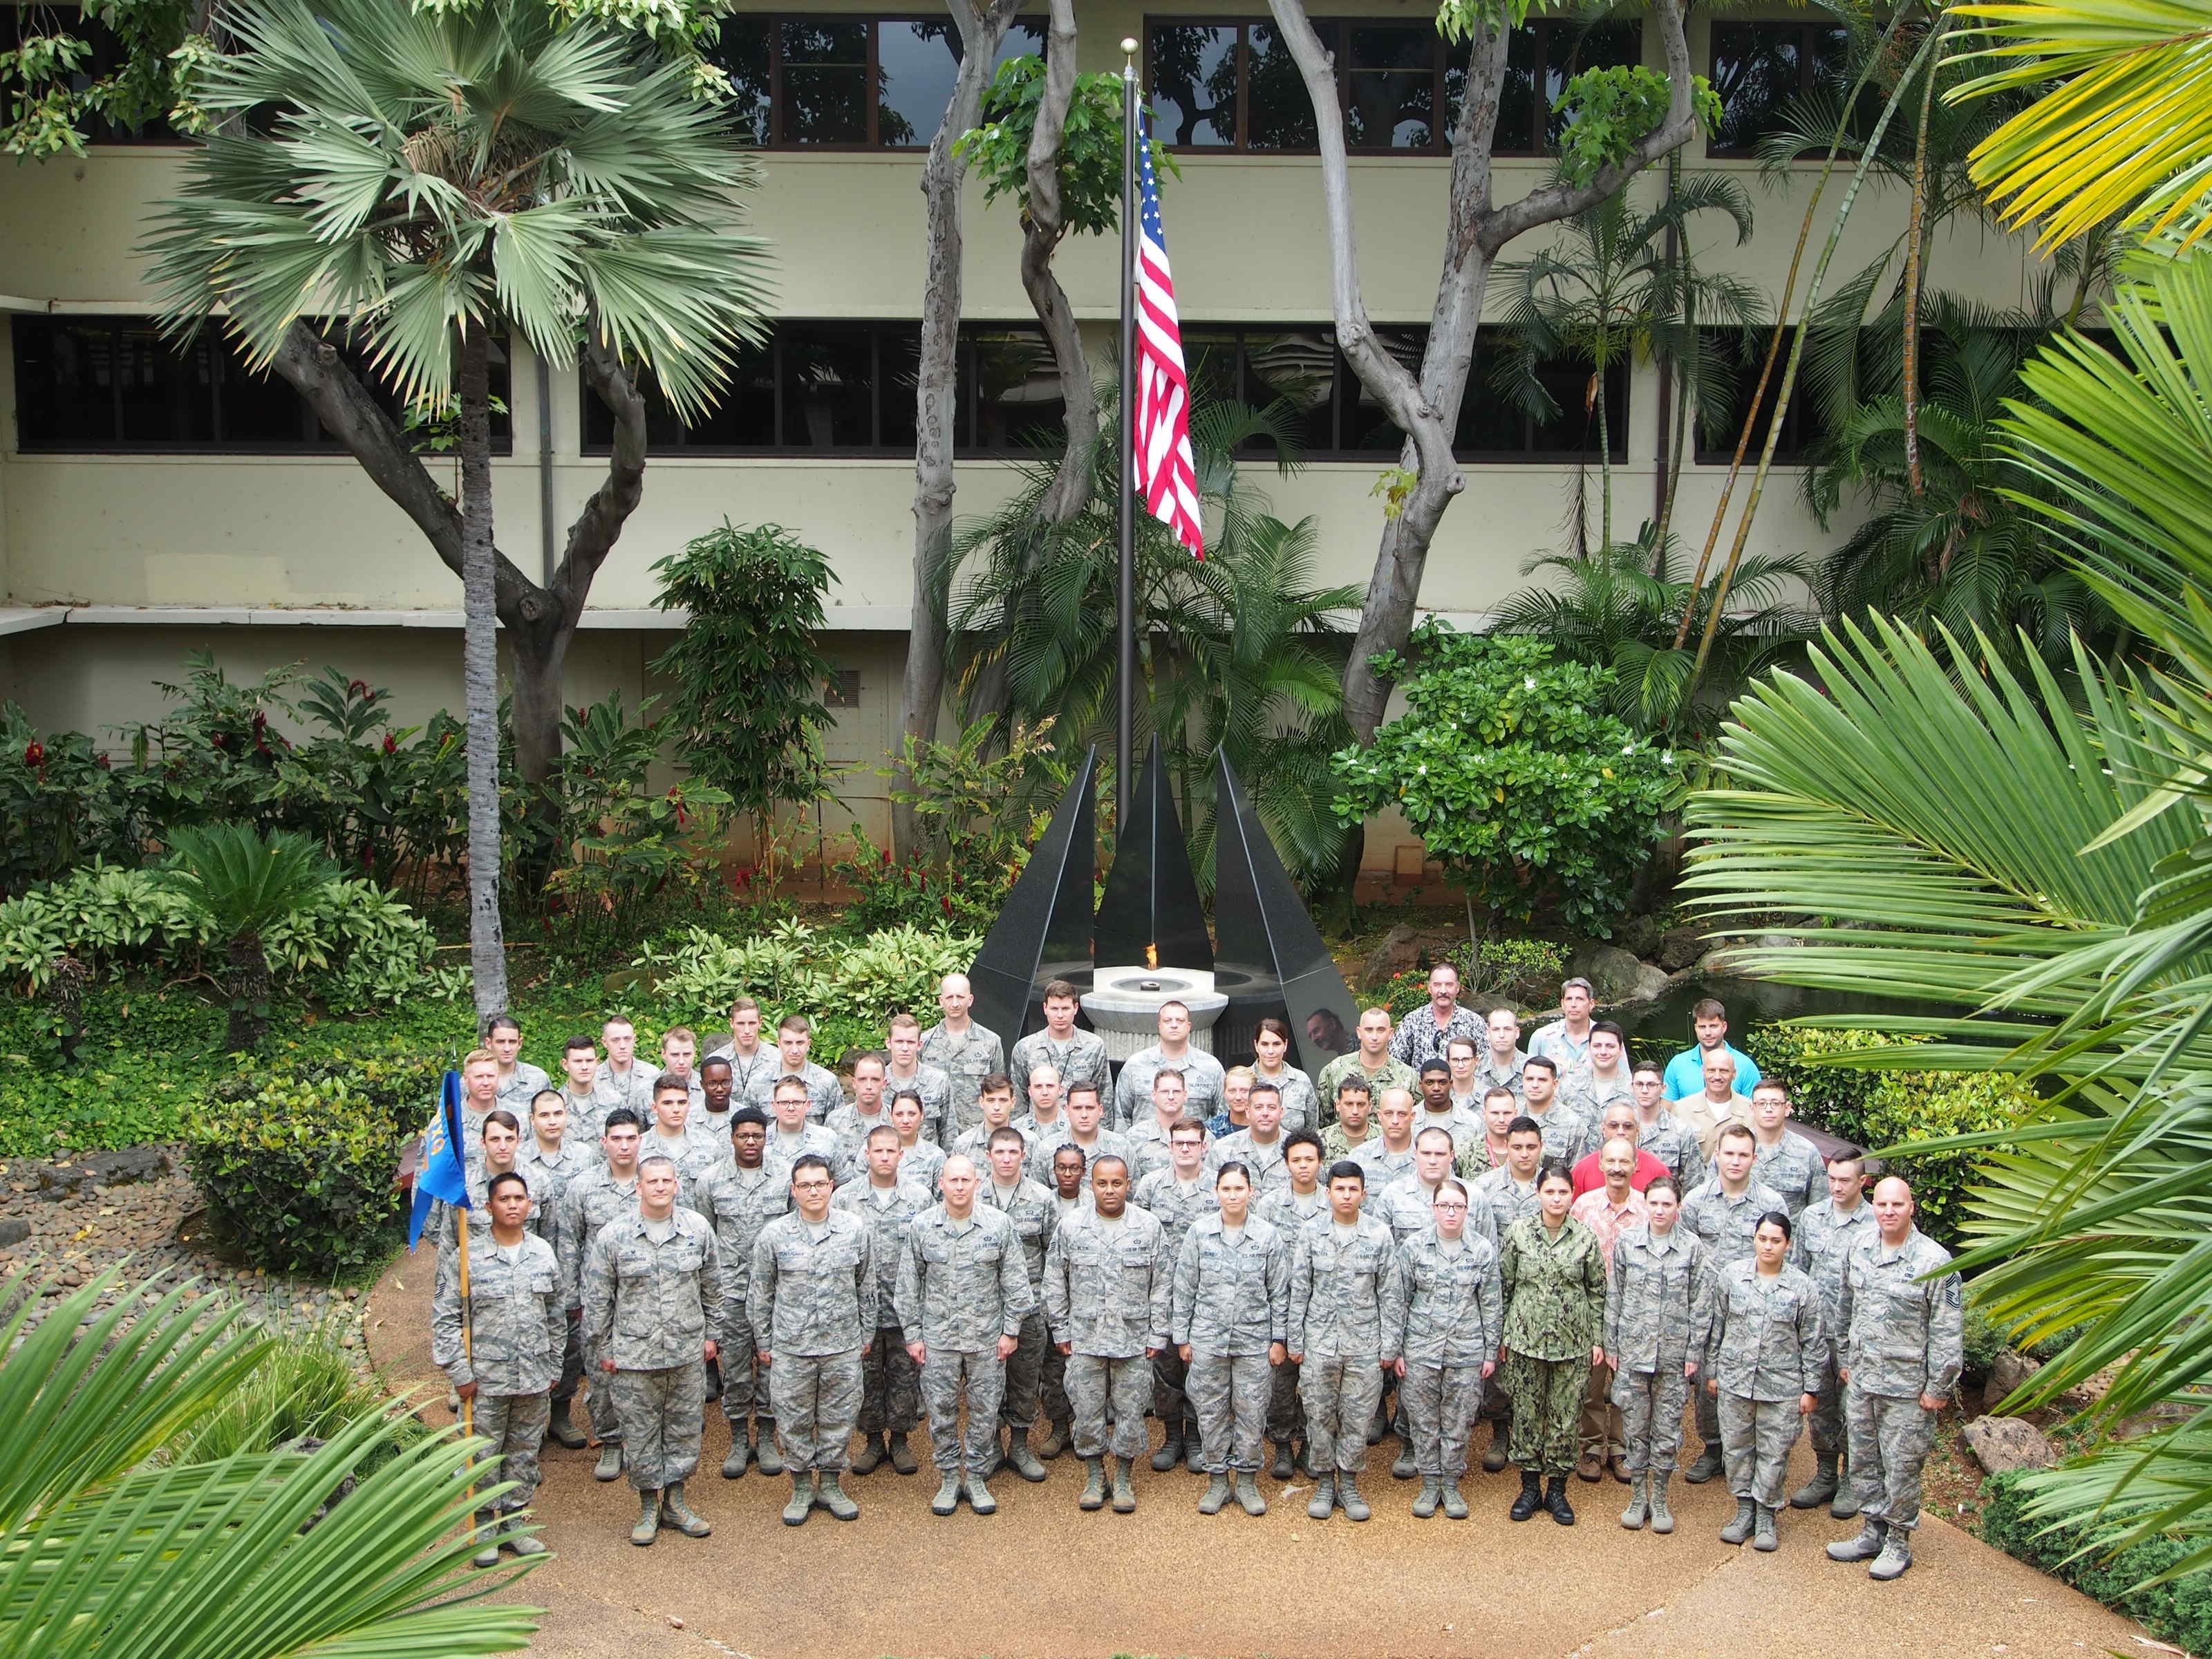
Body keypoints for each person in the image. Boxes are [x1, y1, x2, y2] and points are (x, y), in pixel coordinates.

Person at [581, 1154, 722, 1547]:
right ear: (638, 1187)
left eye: (667, 1181)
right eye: (652, 1181)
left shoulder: (697, 1230)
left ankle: (676, 1502)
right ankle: (647, 1505)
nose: (660, 1187)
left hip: (686, 1351)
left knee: (683, 1430)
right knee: (640, 1433)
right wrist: (604, 1349)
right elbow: (598, 1300)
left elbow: (713, 1287)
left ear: (677, 1185)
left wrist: (712, 1336)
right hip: (633, 1356)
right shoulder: (614, 1236)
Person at [1826, 1176, 1962, 1582]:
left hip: (1907, 1390)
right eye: (1882, 1204)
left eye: (1897, 1205)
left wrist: (1939, 1386)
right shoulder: (1860, 1248)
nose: (1888, 1211)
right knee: (1863, 1461)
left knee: (1901, 1467)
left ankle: (1899, 1543)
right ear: (1873, 1207)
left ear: (1911, 1208)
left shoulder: (1935, 1262)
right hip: (1864, 1381)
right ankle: (1872, 1531)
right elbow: (1845, 1307)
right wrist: (1846, 1360)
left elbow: (1948, 1329)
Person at [432, 1170, 561, 1566]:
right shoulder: (467, 1258)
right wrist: (460, 1373)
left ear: (529, 1205)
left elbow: (555, 1314)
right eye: (504, 1199)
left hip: (534, 1375)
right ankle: (483, 1527)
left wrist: (554, 1364)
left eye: (519, 1199)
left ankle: (514, 1524)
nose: (512, 1206)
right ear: (489, 1207)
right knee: (483, 1454)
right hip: (485, 1379)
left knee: (524, 1452)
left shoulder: (542, 1252)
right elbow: (444, 1318)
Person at [896, 1154, 1033, 1516]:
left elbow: (1016, 1283)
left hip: (986, 1338)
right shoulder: (922, 1227)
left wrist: (1011, 1331)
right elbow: (908, 1286)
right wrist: (913, 1335)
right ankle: (947, 1477)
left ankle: (975, 1475)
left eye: (965, 1180)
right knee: (941, 1412)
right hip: (938, 1338)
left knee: (985, 1411)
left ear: (978, 1183)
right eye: (952, 1180)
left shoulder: (998, 1225)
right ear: (941, 1183)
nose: (959, 1187)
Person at [751, 1152, 877, 1525]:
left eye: (820, 1184)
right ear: (794, 1190)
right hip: (792, 1347)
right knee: (793, 1418)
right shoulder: (774, 1235)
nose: (813, 1191)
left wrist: (865, 1335)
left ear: (832, 1186)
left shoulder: (854, 1230)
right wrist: (765, 1342)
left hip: (842, 1344)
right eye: (805, 1185)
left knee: (840, 1416)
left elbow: (866, 1287)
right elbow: (761, 1292)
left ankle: (832, 1483)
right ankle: (802, 1485)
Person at [1045, 1155, 1169, 1514]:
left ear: (1128, 1184)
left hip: (1133, 1340)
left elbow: (1162, 1284)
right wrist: (1061, 1329)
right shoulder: (1071, 1226)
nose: (1110, 1190)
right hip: (1085, 1339)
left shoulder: (1148, 1227)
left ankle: (1125, 1476)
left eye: (1117, 1183)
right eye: (1102, 1183)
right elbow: (1055, 1281)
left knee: (1131, 1412)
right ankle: (1096, 1475)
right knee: (1087, 1410)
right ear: (1091, 1185)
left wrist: (1157, 1334)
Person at [1287, 1161, 1405, 1522]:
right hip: (1320, 1343)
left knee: (1357, 1419)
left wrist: (1389, 1346)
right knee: (1320, 1416)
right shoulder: (1311, 1234)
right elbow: (1299, 1290)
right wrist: (1295, 1341)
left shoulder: (1379, 1235)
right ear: (1329, 1192)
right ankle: (1325, 1481)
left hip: (1364, 1345)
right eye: (1340, 1189)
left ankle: (1349, 1482)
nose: (1347, 1195)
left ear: (1363, 1193)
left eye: (1354, 1189)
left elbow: (1391, 1294)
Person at [1174, 1162, 1290, 1517]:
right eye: (1226, 1189)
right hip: (1208, 1338)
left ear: (1251, 1192)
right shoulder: (1199, 1232)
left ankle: (1248, 1480)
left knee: (1252, 1411)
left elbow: (1280, 1292)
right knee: (1210, 1411)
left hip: (1254, 1341)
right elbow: (1185, 1286)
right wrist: (1182, 1336)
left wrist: (1279, 1339)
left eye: (1239, 1189)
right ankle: (1218, 1479)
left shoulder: (1268, 1236)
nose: (1233, 1195)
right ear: (1216, 1192)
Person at [1706, 1210, 1825, 1552]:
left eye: (1776, 1241)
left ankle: (1767, 1515)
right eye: (1763, 1239)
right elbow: (1718, 1327)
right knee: (1738, 1449)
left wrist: (1810, 1389)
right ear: (1754, 1239)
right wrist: (1712, 1372)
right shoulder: (1732, 1277)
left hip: (1783, 1387)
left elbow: (1813, 1342)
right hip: (1736, 1380)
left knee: (1774, 1453)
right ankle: (1744, 1511)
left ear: (1788, 1244)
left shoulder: (1803, 1287)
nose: (1768, 1246)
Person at [1498, 1162, 1606, 1526]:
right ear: (1538, 1193)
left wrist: (1596, 1339)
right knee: (1527, 1415)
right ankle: (1529, 1487)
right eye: (1550, 1191)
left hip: (1572, 1344)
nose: (1557, 1198)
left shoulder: (1585, 1237)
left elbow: (1596, 1292)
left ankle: (1557, 1488)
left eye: (1563, 1192)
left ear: (1572, 1194)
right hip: (1525, 1341)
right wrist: (1501, 1336)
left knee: (1564, 1417)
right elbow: (1506, 1285)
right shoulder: (1518, 1234)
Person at [1679, 1123, 1787, 1483]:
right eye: (1729, 1153)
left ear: (1755, 1158)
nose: (1736, 1161)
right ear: (1717, 1156)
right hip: (1708, 1305)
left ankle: (1748, 1452)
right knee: (1709, 1379)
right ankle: (1713, 1448)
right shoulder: (1695, 1201)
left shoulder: (1771, 1203)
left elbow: (1786, 1258)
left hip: (1755, 1309)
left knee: (1754, 1380)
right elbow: (1687, 1256)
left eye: (1743, 1154)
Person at [688, 1107, 790, 1480]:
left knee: (770, 1364)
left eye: (758, 1136)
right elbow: (706, 1238)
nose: (751, 1142)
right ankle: (737, 1438)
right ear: (731, 1137)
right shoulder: (711, 1181)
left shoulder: (783, 1178)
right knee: (734, 1368)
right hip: (729, 1290)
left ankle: (765, 1436)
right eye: (744, 1136)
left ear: (767, 1137)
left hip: (774, 1290)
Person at [1604, 1174, 1709, 1533]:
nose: (1661, 1210)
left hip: (1673, 1355)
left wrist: (1694, 1352)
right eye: (1655, 1203)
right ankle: (1637, 1496)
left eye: (1668, 1204)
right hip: (1634, 1352)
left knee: (1667, 1430)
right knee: (1635, 1426)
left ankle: (1661, 1496)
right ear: (1645, 1204)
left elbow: (1701, 1303)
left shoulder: (1692, 1248)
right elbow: (1615, 1295)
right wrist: (1612, 1345)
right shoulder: (1628, 1243)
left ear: (1678, 1207)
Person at [1396, 1176, 1502, 1520]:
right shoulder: (1413, 1249)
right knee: (1424, 1419)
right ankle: (1429, 1482)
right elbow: (1400, 1301)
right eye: (1444, 1206)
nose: (1451, 1213)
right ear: (1434, 1209)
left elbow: (1491, 1304)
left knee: (1459, 1420)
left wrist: (1489, 1353)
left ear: (1468, 1211)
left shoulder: (1482, 1250)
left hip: (1466, 1350)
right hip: (1421, 1349)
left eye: (1458, 1206)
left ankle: (1451, 1481)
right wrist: (1397, 1350)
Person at [832, 1125, 929, 1480]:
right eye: (879, 1151)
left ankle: (900, 1440)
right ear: (867, 1155)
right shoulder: (845, 1199)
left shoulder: (919, 1198)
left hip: (905, 1307)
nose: (885, 1157)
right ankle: (873, 1441)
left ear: (901, 1155)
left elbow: (925, 1256)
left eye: (892, 1151)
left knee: (904, 1378)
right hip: (862, 1307)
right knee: (868, 1378)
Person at [554, 1106, 646, 1481]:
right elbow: (569, 1244)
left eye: (631, 1138)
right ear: (604, 1142)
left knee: (644, 1376)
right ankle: (610, 1443)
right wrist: (571, 1299)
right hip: (599, 1300)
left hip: (645, 1298)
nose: (624, 1147)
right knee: (602, 1374)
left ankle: (641, 1445)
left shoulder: (656, 1181)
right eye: (617, 1139)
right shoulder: (584, 1186)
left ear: (641, 1140)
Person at [1792, 1144, 1876, 1516]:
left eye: (1845, 1180)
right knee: (1822, 1407)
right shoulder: (1812, 1217)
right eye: (1832, 1179)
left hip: (1859, 1336)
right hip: (1818, 1333)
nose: (1837, 1187)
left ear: (1863, 1181)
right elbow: (1798, 1274)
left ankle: (1852, 1480)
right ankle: (1825, 1473)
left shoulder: (1878, 1223)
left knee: (1855, 1410)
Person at [1132, 1117, 1218, 1472]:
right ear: (1169, 1147)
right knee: (1166, 1369)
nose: (1185, 1149)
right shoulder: (1151, 1188)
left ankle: (1196, 1437)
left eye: (1192, 1143)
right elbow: (1137, 1236)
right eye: (1179, 1143)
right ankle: (1172, 1436)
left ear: (1204, 1147)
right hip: (1162, 1293)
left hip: (1208, 1294)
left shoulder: (1218, 1186)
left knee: (1199, 1368)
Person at [980, 1125, 1058, 1481]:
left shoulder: (1042, 1198)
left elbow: (1054, 1255)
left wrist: (1043, 1303)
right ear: (989, 1156)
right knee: (987, 1379)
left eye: (1014, 1152)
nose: (1007, 1159)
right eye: (1000, 1152)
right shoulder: (974, 1195)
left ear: (1024, 1155)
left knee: (1025, 1379)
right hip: (983, 1306)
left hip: (1029, 1306)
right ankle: (992, 1444)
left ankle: (1021, 1445)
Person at [1570, 1138, 1650, 1481]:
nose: (1618, 1168)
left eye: (1625, 1162)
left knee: (1627, 1385)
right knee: (1591, 1381)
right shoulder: (1584, 1207)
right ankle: (1589, 1447)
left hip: (1635, 1310)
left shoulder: (1648, 1209)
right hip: (1592, 1307)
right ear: (1600, 1165)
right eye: (1611, 1161)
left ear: (1636, 1166)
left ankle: (1620, 1448)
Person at [520, 1089, 591, 1448]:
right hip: (531, 1263)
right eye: (544, 1115)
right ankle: (527, 1426)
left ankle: (561, 1415)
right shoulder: (518, 1164)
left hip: (571, 1259)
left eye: (558, 1114)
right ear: (532, 1119)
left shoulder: (584, 1156)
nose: (552, 1121)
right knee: (532, 1342)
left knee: (569, 1345)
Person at [1256, 1127, 1327, 1474]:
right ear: (1286, 1164)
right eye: (1296, 1160)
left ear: (1320, 1162)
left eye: (1309, 1159)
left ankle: (1312, 1445)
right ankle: (1283, 1445)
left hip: (1324, 1311)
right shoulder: (1269, 1205)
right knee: (1281, 1385)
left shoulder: (1334, 1200)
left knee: (1318, 1386)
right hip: (1279, 1308)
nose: (1303, 1166)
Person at [1112, 1000, 1227, 1130]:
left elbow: (1222, 1116)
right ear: (1159, 1026)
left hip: (1192, 1146)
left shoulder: (1210, 1067)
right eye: (1168, 1021)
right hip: (1144, 1146)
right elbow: (1121, 1117)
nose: (1174, 1025)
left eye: (1180, 1021)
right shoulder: (1135, 1065)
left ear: (1189, 1026)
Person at [919, 973, 1006, 1139]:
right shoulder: (924, 1043)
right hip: (934, 1135)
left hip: (977, 1135)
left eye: (960, 997)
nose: (955, 1003)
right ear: (940, 1001)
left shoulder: (991, 1042)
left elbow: (999, 1091)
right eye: (949, 997)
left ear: (971, 999)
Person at [1009, 979, 1109, 1114]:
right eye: (1054, 1009)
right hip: (1038, 1130)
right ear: (1045, 1008)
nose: (1060, 1015)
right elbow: (1018, 1099)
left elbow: (1104, 1095)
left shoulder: (1094, 1046)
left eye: (1065, 1009)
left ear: (1076, 1008)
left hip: (1080, 1129)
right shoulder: (1025, 1048)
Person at [1315, 1007, 1418, 1121]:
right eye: (1369, 1030)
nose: (1374, 1037)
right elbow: (1324, 1123)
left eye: (1381, 1030)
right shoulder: (1334, 1071)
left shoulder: (1408, 1077)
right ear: (1359, 1032)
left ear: (1390, 1034)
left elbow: (1415, 1121)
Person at [747, 1013, 845, 1125]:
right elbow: (749, 1127)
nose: (794, 1050)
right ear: (779, 1044)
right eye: (788, 1043)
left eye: (800, 1043)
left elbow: (836, 1125)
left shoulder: (827, 1082)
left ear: (808, 1044)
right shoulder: (758, 1084)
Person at [1623, 1060, 1705, 1188]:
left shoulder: (1680, 1131)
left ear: (1663, 1089)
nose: (1645, 1090)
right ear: (1631, 1087)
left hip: (1663, 1205)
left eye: (1651, 1085)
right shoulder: (1619, 1127)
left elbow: (1694, 1182)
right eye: (1639, 1084)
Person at [1746, 1081, 1824, 1215]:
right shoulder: (1734, 1147)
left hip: (1790, 1234)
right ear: (1752, 1109)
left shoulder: (1807, 1152)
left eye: (1776, 1103)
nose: (1768, 1109)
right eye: (1762, 1103)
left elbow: (1820, 1207)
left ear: (1787, 1108)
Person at [1662, 997, 1761, 1101]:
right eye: (1702, 1027)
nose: (1708, 1033)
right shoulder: (1677, 1064)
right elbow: (1667, 1108)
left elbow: (1756, 1110)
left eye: (1713, 1026)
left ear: (1724, 1027)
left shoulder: (1746, 1066)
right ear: (1695, 1028)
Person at [1391, 963, 1484, 1071]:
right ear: (1430, 988)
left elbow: (1485, 1065)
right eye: (1437, 985)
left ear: (1458, 988)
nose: (1443, 991)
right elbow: (1395, 1063)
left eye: (1449, 985)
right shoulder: (1412, 1021)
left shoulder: (1474, 1022)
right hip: (1420, 1088)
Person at [762, 1076, 852, 1188]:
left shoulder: (827, 1139)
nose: (791, 1108)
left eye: (797, 1102)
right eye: (784, 1103)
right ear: (774, 1106)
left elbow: (844, 1183)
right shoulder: (759, 1140)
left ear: (808, 1105)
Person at [1570, 1104, 1669, 1197]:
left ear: (1638, 1130)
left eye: (1628, 1127)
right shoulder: (1582, 1170)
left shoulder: (1658, 1170)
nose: (1621, 1132)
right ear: (1603, 1129)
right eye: (1613, 1126)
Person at [1209, 1082, 1290, 1194]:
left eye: (1271, 1107)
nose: (1265, 1113)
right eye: (1258, 1107)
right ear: (1248, 1112)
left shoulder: (1298, 1149)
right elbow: (1210, 1195)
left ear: (1281, 1112)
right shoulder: (1222, 1150)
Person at [885, 1013, 953, 1145]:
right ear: (889, 1043)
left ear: (919, 1044)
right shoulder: (877, 1082)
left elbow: (948, 1133)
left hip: (929, 1163)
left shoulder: (938, 1081)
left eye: (910, 1042)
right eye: (899, 1042)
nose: (905, 1048)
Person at [1673, 1049, 1753, 1159]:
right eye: (1711, 1070)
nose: (1717, 1076)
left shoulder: (1751, 1110)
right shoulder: (1681, 1109)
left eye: (1724, 1071)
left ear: (1734, 1074)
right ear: (1703, 1072)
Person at [1125, 1067, 1196, 1185]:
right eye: (1165, 1092)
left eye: (1177, 1092)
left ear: (1185, 1095)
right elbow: (1130, 1184)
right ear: (1154, 1095)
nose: (1171, 1097)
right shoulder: (1134, 1137)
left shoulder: (1202, 1136)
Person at [705, 995, 778, 1105]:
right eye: (741, 1024)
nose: (747, 1030)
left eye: (752, 1023)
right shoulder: (716, 1060)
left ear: (760, 1023)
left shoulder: (777, 1059)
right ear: (731, 1023)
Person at [642, 1077, 717, 1185]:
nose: (676, 1109)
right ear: (655, 1108)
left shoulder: (710, 1146)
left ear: (689, 1106)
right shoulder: (639, 1148)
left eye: (682, 1103)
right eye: (667, 1103)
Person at [1251, 1016, 1318, 1132]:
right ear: (1256, 1045)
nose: (1271, 1051)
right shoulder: (1244, 1081)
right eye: (1265, 1044)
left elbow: (1312, 1129)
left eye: (1277, 1044)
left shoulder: (1301, 1080)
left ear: (1286, 1045)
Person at [1560, 1020, 1635, 1124]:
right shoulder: (1568, 1085)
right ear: (1589, 1048)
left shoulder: (1635, 1089)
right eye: (1597, 1046)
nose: (1603, 1052)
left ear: (1621, 1049)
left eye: (1610, 1046)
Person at [952, 1073, 1033, 1164]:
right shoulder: (964, 1144)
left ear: (1013, 1102)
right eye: (991, 1100)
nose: (997, 1107)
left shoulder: (1030, 1141)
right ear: (981, 1102)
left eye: (1003, 1100)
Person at [1517, 1056, 1586, 1161]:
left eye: (1542, 1080)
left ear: (1555, 1084)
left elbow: (1576, 1172)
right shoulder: (1510, 1115)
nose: (1535, 1085)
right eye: (1530, 1079)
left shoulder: (1572, 1124)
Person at [592, 1015, 661, 1117]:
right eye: (616, 1040)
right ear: (604, 1042)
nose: (622, 1046)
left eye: (627, 1039)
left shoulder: (652, 1074)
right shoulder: (593, 1077)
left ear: (634, 1039)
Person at [1351, 1087, 1419, 1189]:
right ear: (1379, 1115)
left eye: (1402, 1114)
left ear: (1412, 1116)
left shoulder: (1430, 1159)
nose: (1395, 1121)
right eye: (1389, 1113)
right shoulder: (1359, 1157)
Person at [825, 1051, 894, 1150]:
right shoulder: (835, 1121)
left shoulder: (897, 1121)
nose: (869, 1086)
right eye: (863, 1079)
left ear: (884, 1083)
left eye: (875, 1080)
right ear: (854, 1083)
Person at [1527, 978, 1597, 1070]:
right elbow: (1530, 1077)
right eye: (1569, 999)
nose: (1573, 1004)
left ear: (1591, 1004)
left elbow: (1621, 1076)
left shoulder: (1607, 1037)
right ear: (1563, 1004)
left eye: (1579, 999)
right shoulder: (1541, 1037)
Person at [487, 1014, 549, 1112]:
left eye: (512, 1042)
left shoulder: (537, 1079)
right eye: (500, 1042)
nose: (507, 1049)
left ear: (520, 1043)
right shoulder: (473, 1081)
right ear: (489, 1043)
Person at [888, 1089, 946, 1194]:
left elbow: (942, 1201)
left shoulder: (936, 1157)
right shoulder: (875, 1151)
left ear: (922, 1115)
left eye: (912, 1114)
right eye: (899, 1114)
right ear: (891, 1116)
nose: (905, 1121)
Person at [1477, 1009, 1528, 1103]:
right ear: (1488, 1033)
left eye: (1507, 1029)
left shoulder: (1531, 1068)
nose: (1502, 1035)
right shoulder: (1473, 1067)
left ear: (1517, 1032)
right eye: (1496, 1029)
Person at [1319, 1079, 1377, 1161]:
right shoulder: (1321, 1140)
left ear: (1370, 1106)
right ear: (1338, 1105)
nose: (1355, 1111)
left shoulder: (1385, 1138)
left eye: (1361, 1104)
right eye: (1349, 1104)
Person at [556, 1035, 602, 1139]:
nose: (585, 1067)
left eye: (590, 1061)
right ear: (565, 1065)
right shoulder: (554, 1105)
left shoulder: (614, 1101)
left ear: (597, 1062)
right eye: (578, 1061)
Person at [693, 1054, 739, 1151]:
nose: (720, 1089)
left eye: (726, 1083)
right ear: (702, 1085)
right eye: (712, 1084)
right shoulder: (689, 1119)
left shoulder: (745, 1117)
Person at [1473, 1086, 1521, 1174]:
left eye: (1507, 1113)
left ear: (1516, 1114)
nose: (1501, 1120)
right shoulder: (1466, 1152)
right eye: (1495, 1113)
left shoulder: (1534, 1151)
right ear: (1484, 1114)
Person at [657, 1026, 705, 1109]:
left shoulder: (708, 1087)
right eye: (675, 1055)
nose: (681, 1062)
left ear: (695, 1053)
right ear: (663, 1054)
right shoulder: (646, 1089)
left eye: (687, 1054)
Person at [1207, 1065, 1253, 1141]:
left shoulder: (1265, 1125)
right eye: (1232, 1091)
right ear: (1224, 1093)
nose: (1238, 1097)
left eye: (1244, 1091)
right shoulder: (1211, 1129)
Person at [1445, 1037, 1484, 1116]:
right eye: (1455, 1060)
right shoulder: (1440, 1096)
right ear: (1448, 1062)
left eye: (1466, 1059)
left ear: (1476, 1061)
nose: (1460, 1066)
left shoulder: (1488, 1096)